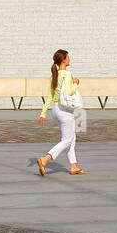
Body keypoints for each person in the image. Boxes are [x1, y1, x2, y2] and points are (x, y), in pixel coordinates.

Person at [37, 48, 86, 176]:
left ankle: (74, 166)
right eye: (68, 57)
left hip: (56, 109)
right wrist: (76, 83)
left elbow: (50, 96)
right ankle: (45, 159)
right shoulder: (67, 74)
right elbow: (69, 92)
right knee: (67, 140)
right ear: (63, 60)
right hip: (65, 111)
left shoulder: (54, 75)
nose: (69, 59)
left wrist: (43, 113)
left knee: (71, 138)